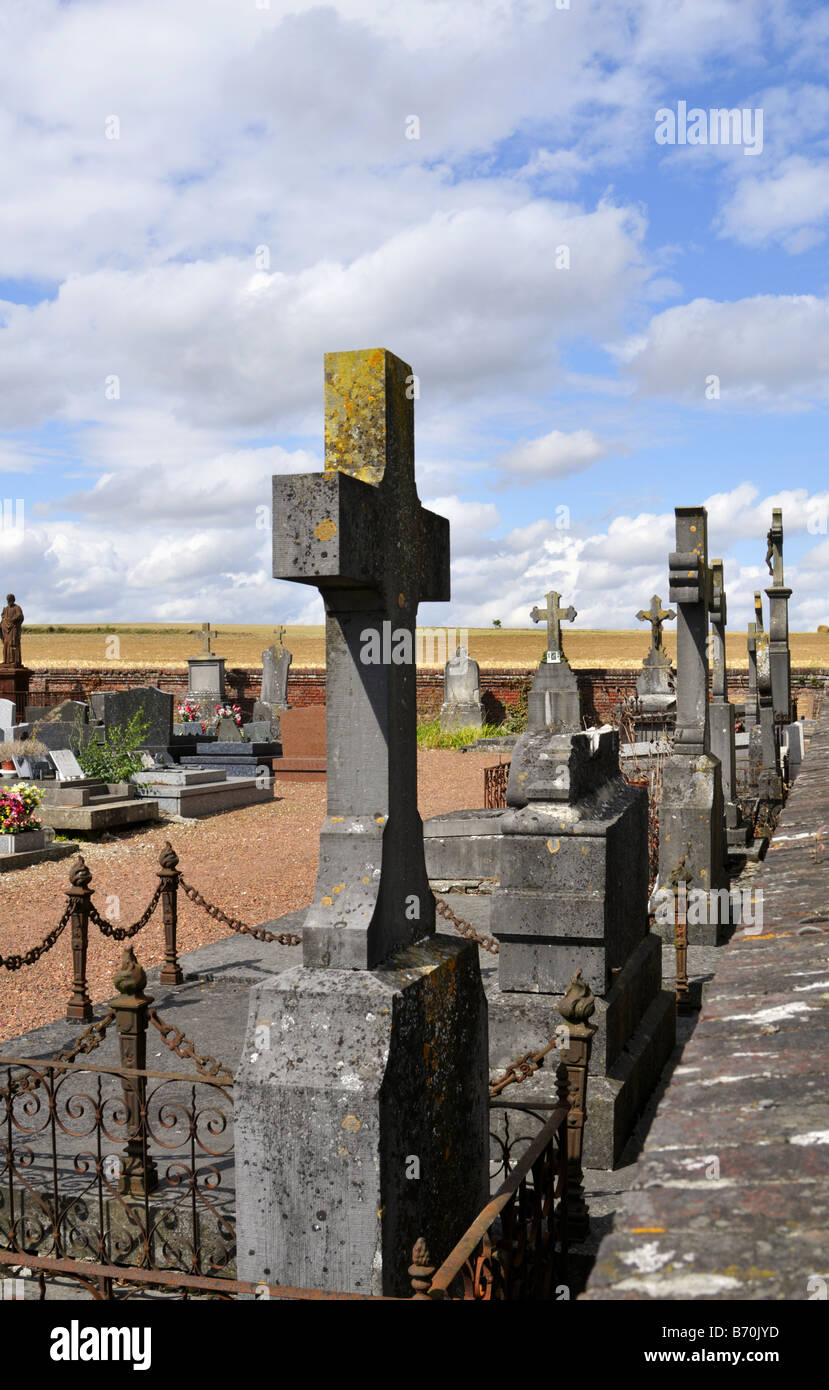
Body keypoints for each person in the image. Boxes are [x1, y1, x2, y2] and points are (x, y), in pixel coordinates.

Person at [1, 593, 24, 666]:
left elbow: (20, 616)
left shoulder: (17, 608)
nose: (9, 601)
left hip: (13, 630)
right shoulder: (5, 609)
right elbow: (3, 618)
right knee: (6, 644)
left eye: (10, 599)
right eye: (8, 600)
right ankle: (6, 660)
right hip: (6, 631)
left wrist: (13, 620)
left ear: (13, 600)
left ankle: (14, 660)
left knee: (13, 644)